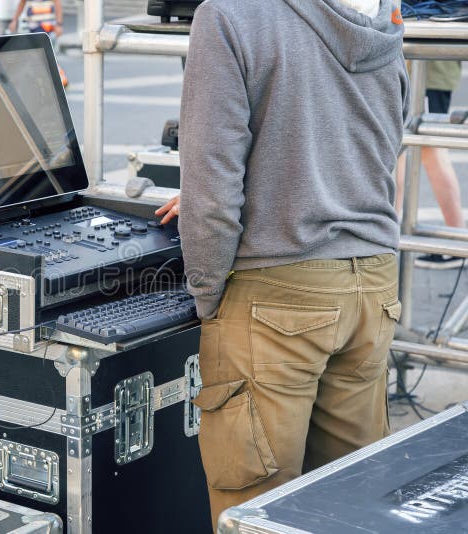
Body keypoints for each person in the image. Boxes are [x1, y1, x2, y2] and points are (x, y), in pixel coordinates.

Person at [155, 0, 407, 528]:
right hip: (373, 285)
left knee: (255, 512)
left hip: (276, 289)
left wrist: (210, 299)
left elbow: (210, 185)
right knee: (350, 505)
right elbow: (373, 144)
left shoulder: (229, 14)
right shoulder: (381, 12)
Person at [397, 60, 466, 270]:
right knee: (399, 145)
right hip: (423, 69)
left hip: (427, 71)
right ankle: (387, 229)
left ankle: (458, 239)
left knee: (430, 150)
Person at [7, 0, 68, 87]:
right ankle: (48, 81)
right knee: (39, 57)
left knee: (48, 56)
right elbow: (22, 3)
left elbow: (57, 3)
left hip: (48, 28)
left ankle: (59, 80)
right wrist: (15, 20)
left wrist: (59, 24)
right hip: (34, 28)